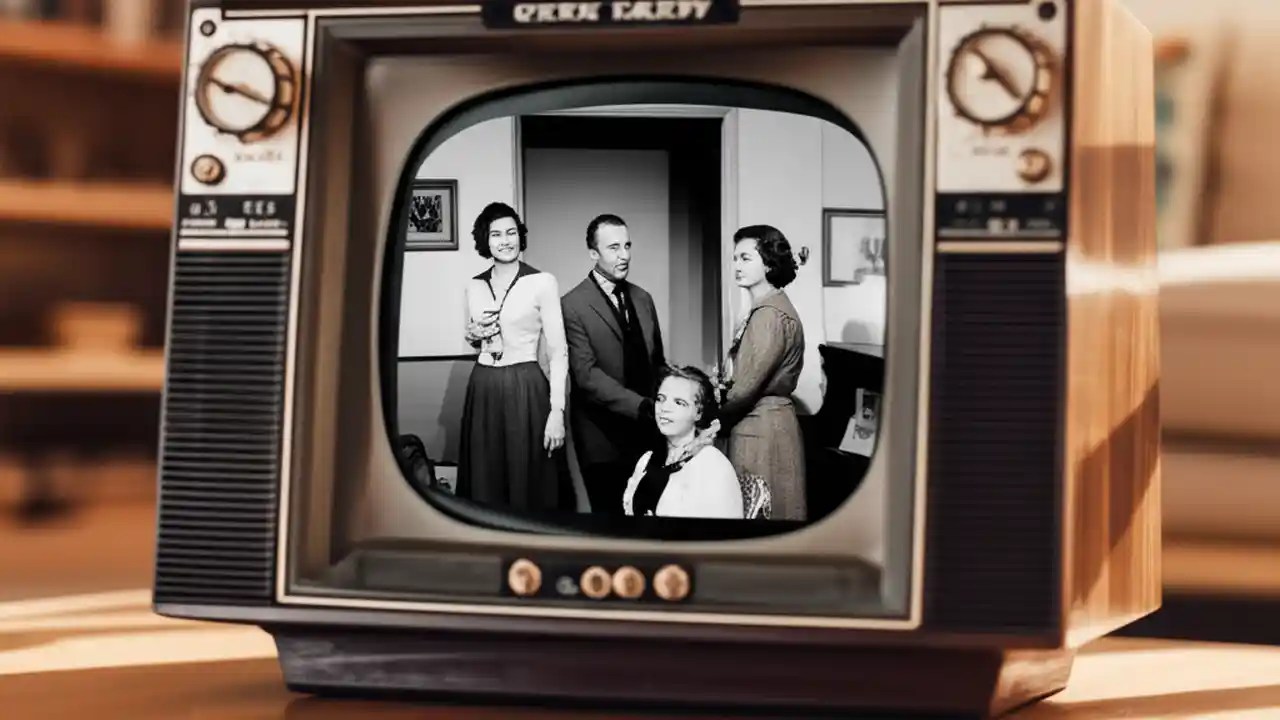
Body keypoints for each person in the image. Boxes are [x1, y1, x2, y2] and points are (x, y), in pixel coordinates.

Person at [456, 201, 568, 512]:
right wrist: (473, 335)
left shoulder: (542, 282)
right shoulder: (473, 285)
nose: (505, 240)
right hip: (483, 387)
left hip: (525, 385)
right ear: (485, 240)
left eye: (511, 232)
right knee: (485, 478)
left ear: (520, 236)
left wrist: (557, 411)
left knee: (527, 478)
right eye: (496, 234)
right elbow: (471, 340)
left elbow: (558, 352)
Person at [561, 213, 666, 515]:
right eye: (614, 248)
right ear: (593, 253)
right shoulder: (572, 305)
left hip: (648, 433)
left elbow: (656, 361)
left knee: (648, 519)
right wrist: (643, 407)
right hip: (601, 438)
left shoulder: (643, 298)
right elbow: (586, 376)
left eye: (627, 246)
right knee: (610, 524)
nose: (624, 256)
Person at [719, 224, 807, 521]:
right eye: (735, 258)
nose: (736, 266)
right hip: (763, 425)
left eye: (745, 258)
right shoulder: (769, 307)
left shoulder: (769, 314)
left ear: (769, 262)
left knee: (759, 516)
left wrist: (711, 418)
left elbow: (745, 388)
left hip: (761, 430)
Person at [622, 366, 743, 519]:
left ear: (698, 412)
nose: (664, 408)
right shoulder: (648, 460)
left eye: (679, 402)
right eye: (661, 399)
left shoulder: (712, 465)